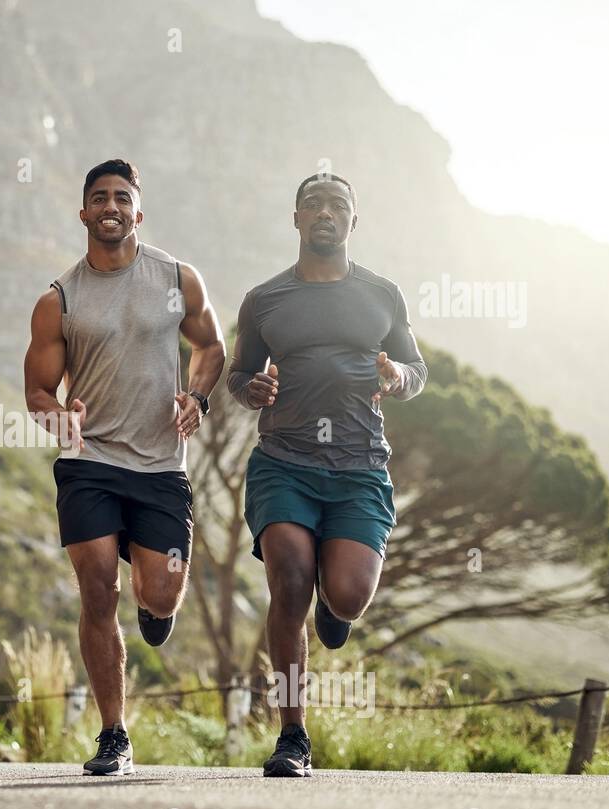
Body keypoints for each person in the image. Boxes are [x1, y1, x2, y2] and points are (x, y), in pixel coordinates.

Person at [24, 159, 225, 776]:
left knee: (161, 596)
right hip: (91, 461)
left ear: (138, 212)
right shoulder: (59, 300)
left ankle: (152, 600)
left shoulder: (177, 279)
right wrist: (58, 417)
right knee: (95, 587)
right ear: (83, 211)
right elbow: (36, 390)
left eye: (122, 198)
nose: (110, 207)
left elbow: (211, 347)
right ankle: (114, 735)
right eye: (98, 198)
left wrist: (197, 396)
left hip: (162, 466)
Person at [227, 173, 427, 777]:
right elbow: (237, 376)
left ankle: (334, 611)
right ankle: (293, 736)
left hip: (359, 468)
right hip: (283, 463)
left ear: (353, 222)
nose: (324, 213)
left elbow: (416, 369)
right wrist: (251, 388)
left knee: (346, 595)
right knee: (289, 584)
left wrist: (398, 379)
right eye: (312, 204)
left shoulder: (382, 294)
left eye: (337, 205)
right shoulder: (265, 300)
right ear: (295, 218)